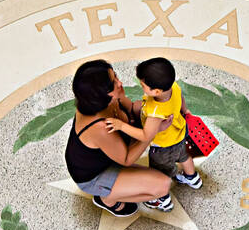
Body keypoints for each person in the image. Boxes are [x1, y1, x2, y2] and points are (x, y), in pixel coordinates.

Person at [64, 59, 173, 216]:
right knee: (162, 186)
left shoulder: (104, 100)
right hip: (93, 176)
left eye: (115, 76)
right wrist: (152, 132)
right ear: (100, 94)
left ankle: (119, 188)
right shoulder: (99, 127)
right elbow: (127, 159)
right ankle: (107, 199)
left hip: (109, 155)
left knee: (138, 114)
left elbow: (131, 108)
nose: (120, 83)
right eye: (113, 83)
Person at [133, 57, 203, 192]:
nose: (142, 88)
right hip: (180, 133)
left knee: (161, 171)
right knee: (184, 156)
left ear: (157, 91)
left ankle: (162, 198)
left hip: (163, 147)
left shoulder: (155, 110)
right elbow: (181, 97)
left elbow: (146, 134)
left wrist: (121, 126)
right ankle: (193, 178)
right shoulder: (173, 87)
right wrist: (185, 109)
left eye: (143, 86)